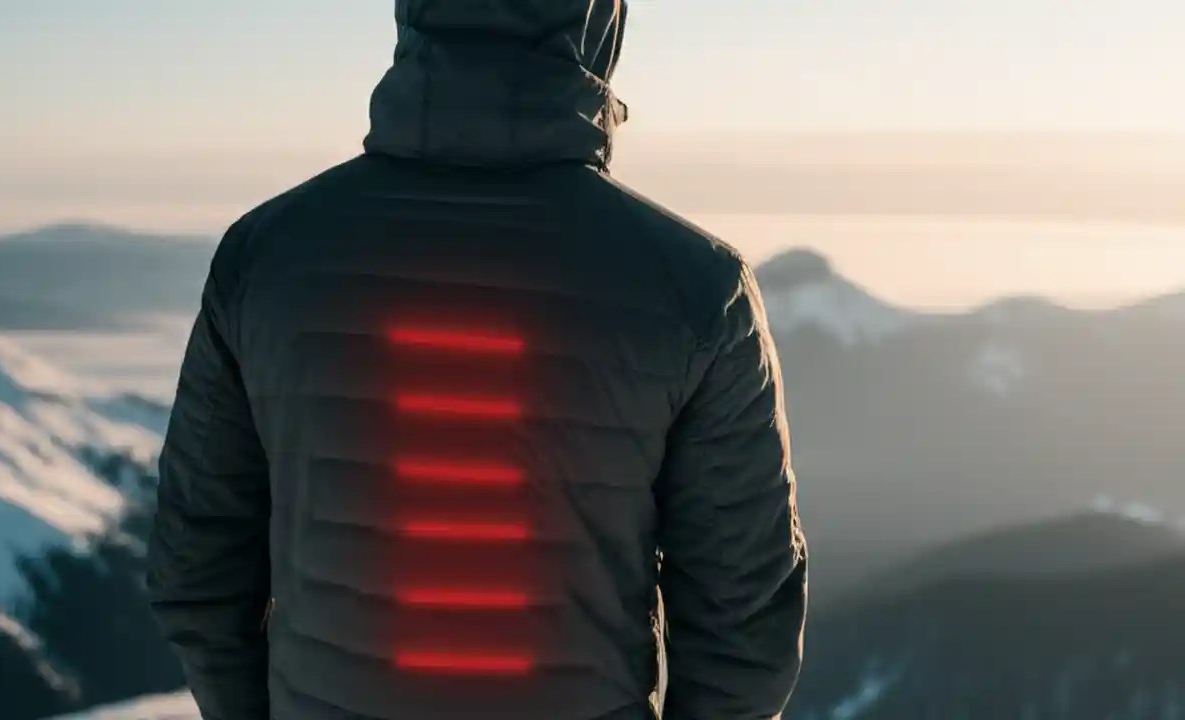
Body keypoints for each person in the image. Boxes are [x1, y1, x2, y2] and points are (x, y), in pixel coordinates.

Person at [146, 1, 807, 718]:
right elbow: (744, 624)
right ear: (597, 27)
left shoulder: (264, 258)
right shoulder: (697, 289)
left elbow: (198, 567)